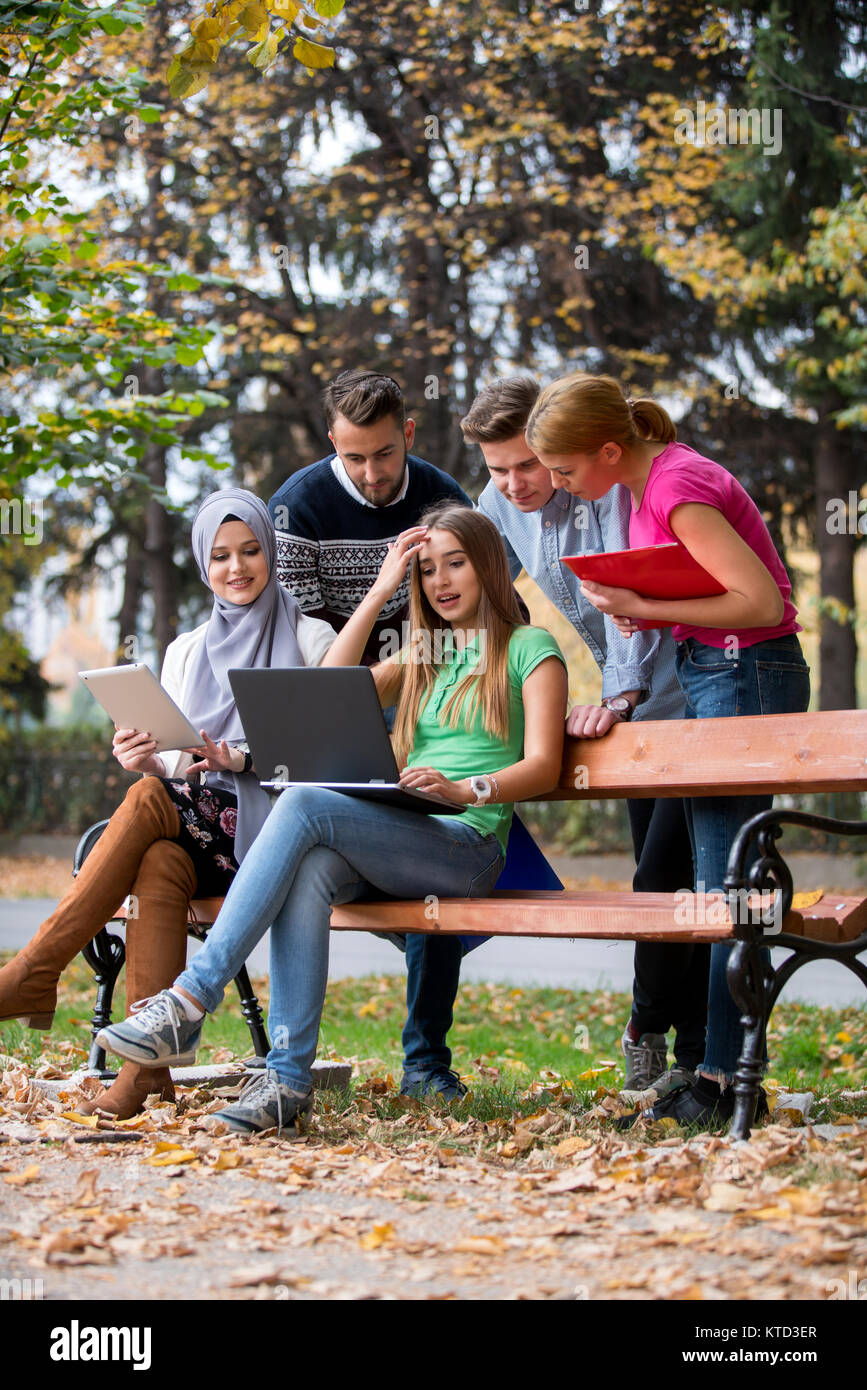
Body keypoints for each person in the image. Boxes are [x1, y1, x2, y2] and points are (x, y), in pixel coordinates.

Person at [97, 505, 569, 1137]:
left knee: (301, 801)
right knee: (312, 867)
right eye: (426, 570)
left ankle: (189, 999)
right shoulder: (426, 651)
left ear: (487, 565)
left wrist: (466, 787)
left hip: (470, 843)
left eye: (455, 563)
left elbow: (542, 764)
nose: (440, 581)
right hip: (411, 831)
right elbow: (332, 685)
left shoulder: (530, 648)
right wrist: (381, 589)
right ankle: (287, 1082)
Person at [0, 489, 354, 1118]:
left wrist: (238, 760)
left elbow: (330, 753)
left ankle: (35, 969)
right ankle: (145, 1078)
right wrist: (143, 756)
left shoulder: (310, 637)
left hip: (274, 834)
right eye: (220, 556)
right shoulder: (186, 650)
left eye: (250, 551)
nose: (237, 567)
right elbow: (175, 759)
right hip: (194, 825)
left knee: (146, 803)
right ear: (202, 564)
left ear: (270, 553)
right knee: (158, 858)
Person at [525, 371, 810, 1129]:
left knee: (724, 894)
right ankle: (717, 1075)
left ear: (609, 450)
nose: (558, 486)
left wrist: (642, 607)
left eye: (563, 471)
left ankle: (719, 1085)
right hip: (716, 671)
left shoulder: (675, 485)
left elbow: (761, 603)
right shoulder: (647, 483)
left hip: (742, 673)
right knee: (721, 888)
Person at [463, 376, 701, 1098]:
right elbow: (494, 613)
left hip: (687, 693)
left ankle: (668, 1043)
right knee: (659, 884)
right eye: (496, 468)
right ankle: (665, 1042)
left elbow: (633, 605)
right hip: (631, 712)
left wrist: (618, 695)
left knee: (672, 879)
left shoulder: (604, 492)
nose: (513, 483)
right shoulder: (496, 506)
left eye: (526, 465)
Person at [269, 369, 475, 1100]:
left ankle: (424, 1060)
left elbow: (483, 605)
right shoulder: (295, 509)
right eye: (354, 457)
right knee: (332, 847)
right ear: (333, 442)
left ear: (407, 436)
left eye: (384, 454)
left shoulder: (443, 494)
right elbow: (314, 656)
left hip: (431, 694)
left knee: (434, 855)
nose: (372, 472)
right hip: (342, 693)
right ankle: (287, 1065)